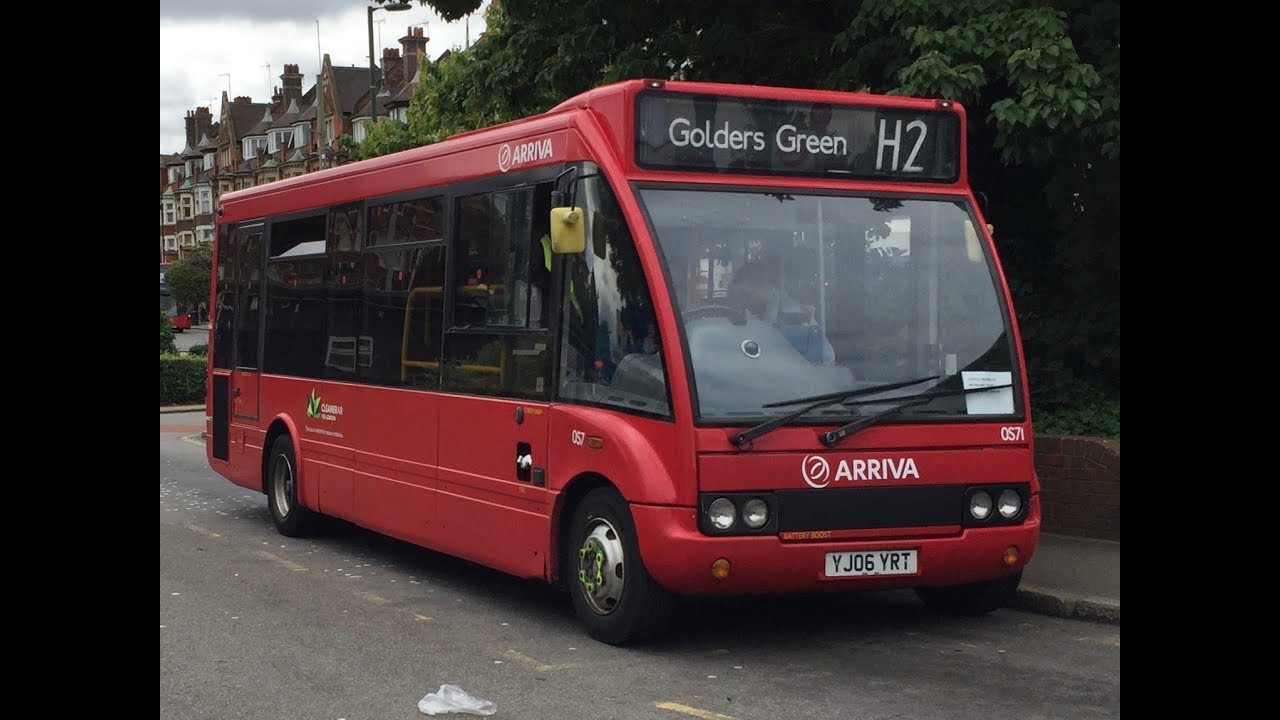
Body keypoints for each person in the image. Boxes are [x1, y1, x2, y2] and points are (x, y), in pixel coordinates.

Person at [729, 261, 835, 365]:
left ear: (762, 287)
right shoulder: (769, 311)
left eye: (744, 296)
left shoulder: (791, 316)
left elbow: (822, 358)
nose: (743, 304)